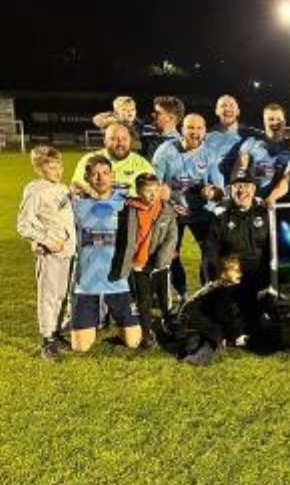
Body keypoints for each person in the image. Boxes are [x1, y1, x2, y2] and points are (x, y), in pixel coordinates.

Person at [70, 156, 142, 352]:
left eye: (105, 173)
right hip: (86, 284)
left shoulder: (125, 202)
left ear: (113, 176)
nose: (100, 178)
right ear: (86, 177)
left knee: (133, 342)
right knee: (81, 347)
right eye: (94, 174)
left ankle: (110, 318)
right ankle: (96, 318)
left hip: (117, 281)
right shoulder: (76, 203)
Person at [153, 113, 225, 303]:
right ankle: (183, 295)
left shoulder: (210, 153)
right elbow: (153, 185)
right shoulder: (165, 151)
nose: (195, 132)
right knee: (171, 255)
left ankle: (206, 294)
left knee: (210, 253)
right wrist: (164, 196)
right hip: (172, 213)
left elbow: (220, 191)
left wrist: (212, 192)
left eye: (199, 128)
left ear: (205, 131)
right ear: (182, 130)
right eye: (190, 127)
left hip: (202, 213)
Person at [16, 146, 76, 360]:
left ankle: (57, 332)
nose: (58, 171)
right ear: (39, 169)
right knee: (48, 296)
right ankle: (47, 339)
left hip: (68, 252)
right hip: (50, 254)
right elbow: (23, 224)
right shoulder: (35, 190)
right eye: (51, 167)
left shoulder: (61, 188)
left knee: (62, 295)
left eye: (59, 166)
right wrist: (47, 241)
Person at [204, 167, 275, 348]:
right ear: (230, 190)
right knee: (230, 299)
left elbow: (276, 247)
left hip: (262, 271)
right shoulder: (221, 216)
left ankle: (262, 320)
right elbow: (211, 252)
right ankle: (237, 332)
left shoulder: (266, 213)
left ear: (254, 189)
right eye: (237, 187)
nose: (241, 191)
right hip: (233, 271)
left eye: (246, 186)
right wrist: (214, 278)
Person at [109, 173, 178, 348]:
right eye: (148, 191)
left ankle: (169, 327)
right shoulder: (129, 209)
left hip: (160, 264)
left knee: (164, 300)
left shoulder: (166, 209)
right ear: (139, 191)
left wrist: (163, 259)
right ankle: (147, 332)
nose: (153, 194)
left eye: (156, 190)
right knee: (143, 300)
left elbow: (172, 236)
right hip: (139, 264)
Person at [178, 256, 247, 366]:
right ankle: (195, 358)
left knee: (196, 341)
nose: (241, 274)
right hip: (197, 322)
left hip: (191, 321)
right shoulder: (224, 292)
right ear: (224, 274)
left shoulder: (216, 285)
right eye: (237, 271)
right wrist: (236, 335)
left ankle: (190, 347)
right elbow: (226, 316)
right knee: (213, 339)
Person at [71, 123, 155, 198]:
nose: (120, 143)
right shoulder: (89, 159)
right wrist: (95, 193)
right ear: (105, 141)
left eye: (124, 139)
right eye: (114, 139)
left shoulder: (141, 164)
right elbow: (76, 186)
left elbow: (154, 190)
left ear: (130, 141)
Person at [238, 103, 290, 203]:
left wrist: (272, 198)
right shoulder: (251, 143)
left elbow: (288, 178)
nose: (275, 122)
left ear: (284, 121)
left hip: (284, 205)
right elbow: (240, 172)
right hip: (257, 204)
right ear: (264, 121)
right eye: (271, 119)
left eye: (278, 119)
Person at [205, 94, 263, 186]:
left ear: (238, 111)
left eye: (231, 105)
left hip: (241, 191)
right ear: (216, 111)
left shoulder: (253, 134)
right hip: (215, 192)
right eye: (223, 105)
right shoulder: (206, 137)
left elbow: (272, 138)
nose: (228, 109)